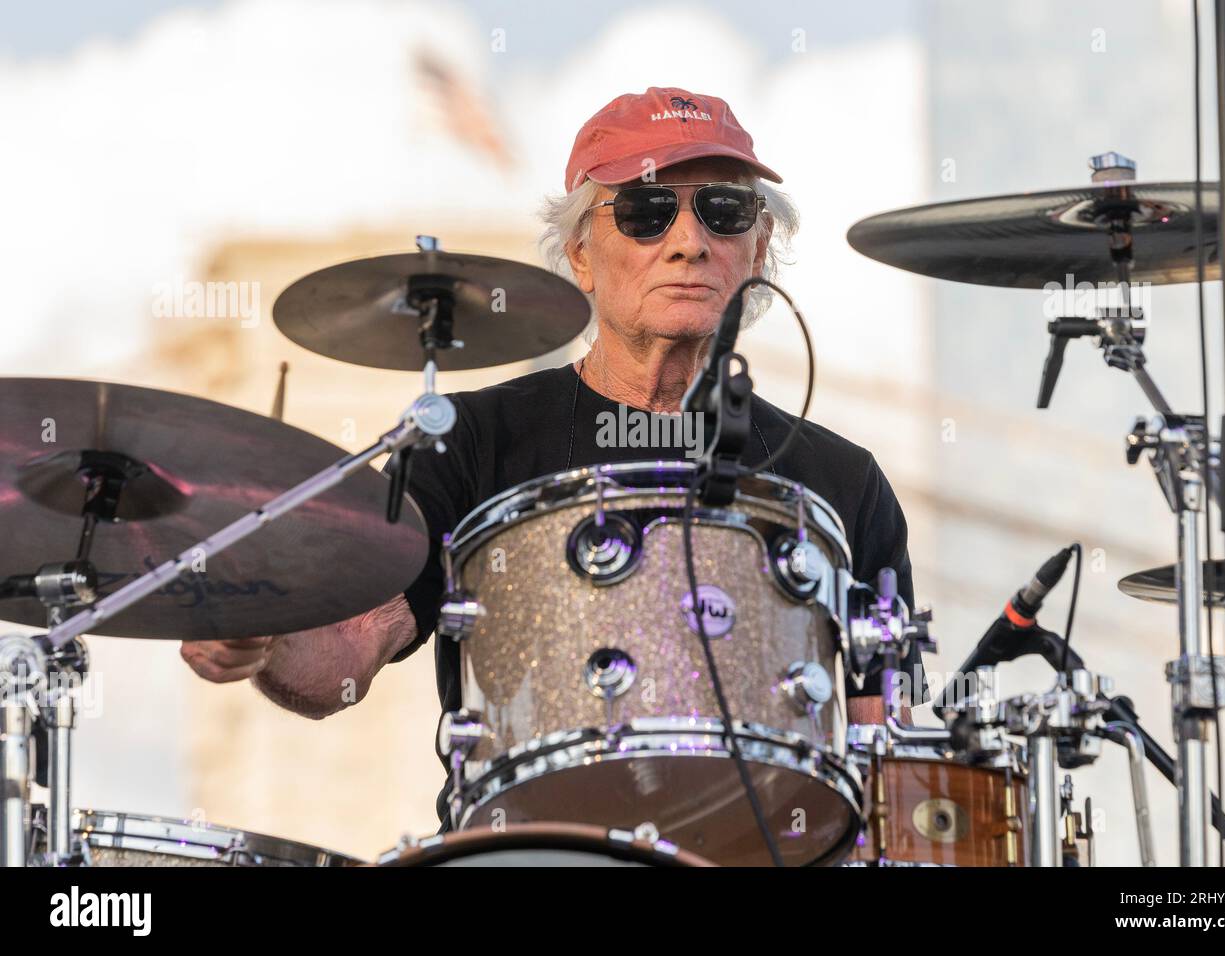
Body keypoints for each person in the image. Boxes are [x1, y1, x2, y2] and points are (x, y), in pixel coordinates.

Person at [181, 86, 925, 825]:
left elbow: (884, 759)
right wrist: (261, 635)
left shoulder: (843, 483)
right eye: (644, 211)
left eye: (724, 211)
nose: (689, 241)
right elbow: (346, 652)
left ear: (758, 247)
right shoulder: (474, 438)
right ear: (580, 254)